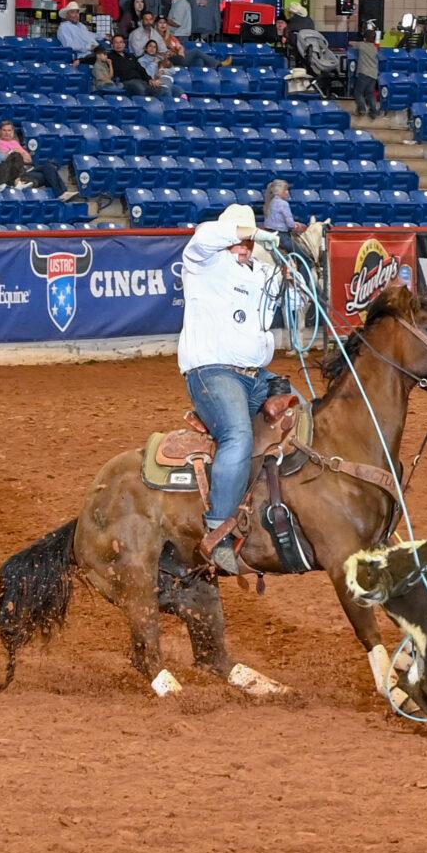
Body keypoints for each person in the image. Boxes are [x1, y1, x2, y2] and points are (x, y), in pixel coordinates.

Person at [180, 204, 284, 575]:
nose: (243, 246)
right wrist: (252, 232)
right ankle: (218, 530)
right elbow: (205, 235)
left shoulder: (261, 274)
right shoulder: (203, 261)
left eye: (247, 241)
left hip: (256, 374)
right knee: (238, 435)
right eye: (238, 239)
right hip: (212, 371)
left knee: (304, 413)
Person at [350, 31, 382, 116]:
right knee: (370, 93)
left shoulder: (362, 45)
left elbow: (351, 43)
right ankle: (374, 112)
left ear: (365, 39)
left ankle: (362, 109)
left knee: (358, 92)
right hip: (374, 74)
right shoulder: (375, 48)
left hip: (364, 72)